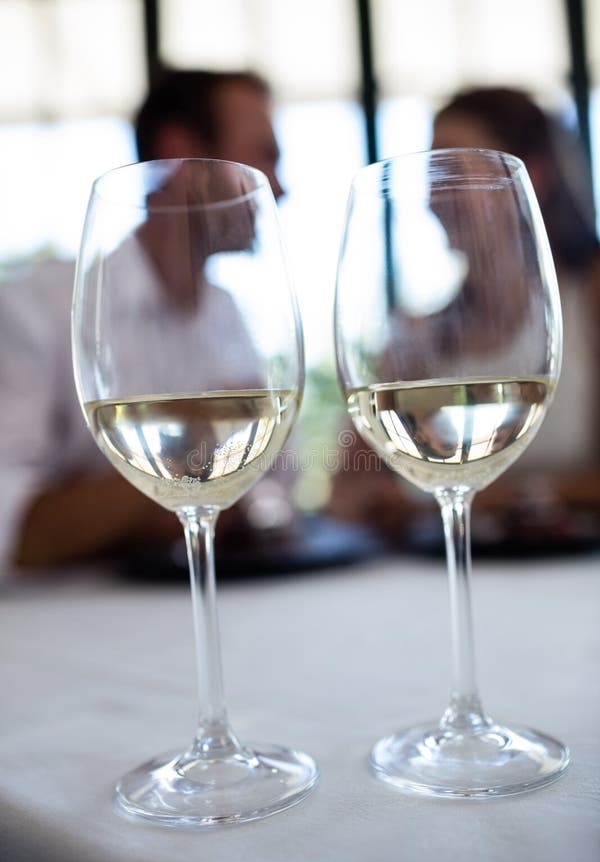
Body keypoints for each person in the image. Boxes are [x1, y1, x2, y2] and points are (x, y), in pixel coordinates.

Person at [0, 69, 286, 571]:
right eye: (263, 156)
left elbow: (269, 496)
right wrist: (194, 437)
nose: (279, 187)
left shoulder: (228, 315)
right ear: (180, 156)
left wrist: (108, 506)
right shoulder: (36, 309)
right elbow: (14, 529)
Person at [329, 87, 600, 545]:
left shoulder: (591, 297)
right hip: (450, 568)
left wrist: (457, 499)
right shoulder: (420, 338)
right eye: (433, 177)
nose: (434, 198)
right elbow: (345, 493)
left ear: (533, 175)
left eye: (452, 172)